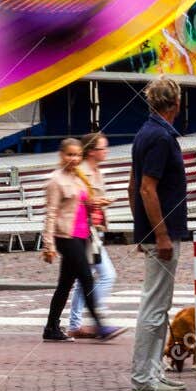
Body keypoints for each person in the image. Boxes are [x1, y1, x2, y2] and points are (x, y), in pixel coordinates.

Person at [129, 76, 189, 391]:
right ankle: (143, 378)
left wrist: (141, 229)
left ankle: (152, 372)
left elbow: (133, 185)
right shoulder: (161, 138)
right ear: (175, 104)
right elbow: (146, 188)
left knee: (158, 304)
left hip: (153, 230)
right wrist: (160, 234)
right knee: (154, 306)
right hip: (163, 232)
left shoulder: (144, 134)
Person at [41, 139, 121, 343]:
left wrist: (97, 203)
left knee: (65, 284)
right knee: (86, 278)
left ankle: (51, 327)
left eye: (77, 155)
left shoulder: (78, 178)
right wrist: (48, 245)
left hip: (83, 235)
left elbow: (82, 203)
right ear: (61, 155)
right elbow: (50, 214)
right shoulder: (55, 181)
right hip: (66, 237)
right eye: (70, 155)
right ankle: (101, 325)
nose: (74, 159)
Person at [67, 132, 117, 337]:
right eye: (102, 148)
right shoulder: (81, 172)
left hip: (95, 232)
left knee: (82, 280)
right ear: (92, 151)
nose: (106, 152)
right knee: (107, 275)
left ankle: (75, 325)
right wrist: (96, 203)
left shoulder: (97, 172)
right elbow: (76, 201)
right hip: (84, 232)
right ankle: (96, 315)